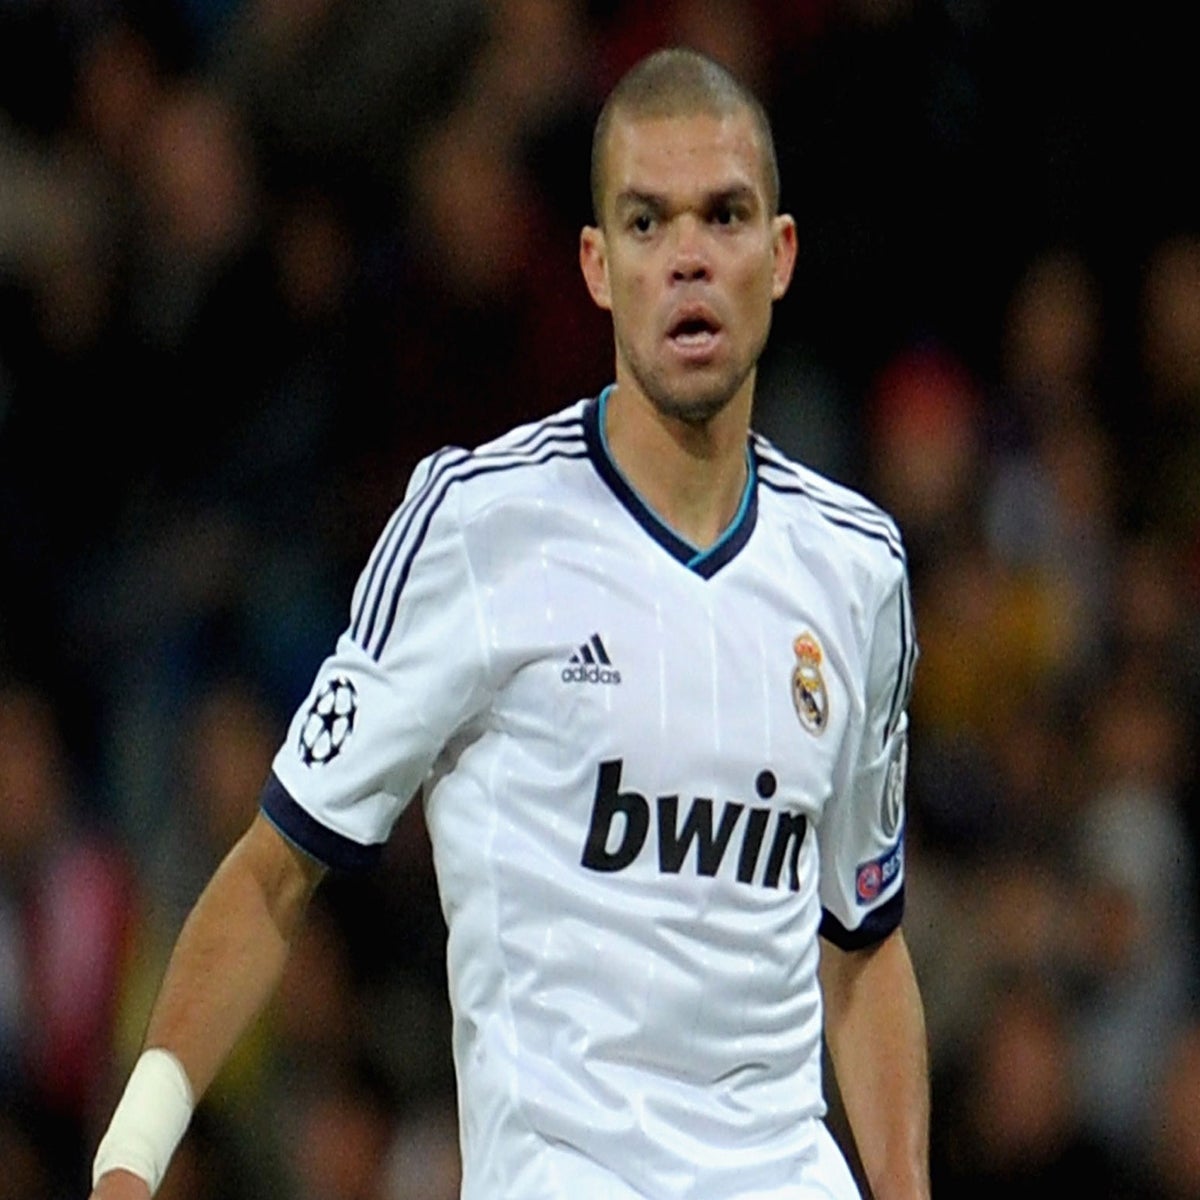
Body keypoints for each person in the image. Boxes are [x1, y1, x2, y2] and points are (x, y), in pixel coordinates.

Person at [89, 46, 930, 1200]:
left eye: (725, 216)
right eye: (647, 222)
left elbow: (864, 943)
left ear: (779, 255)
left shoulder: (856, 566)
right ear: (597, 266)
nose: (688, 257)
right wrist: (129, 1162)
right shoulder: (478, 527)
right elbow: (274, 873)